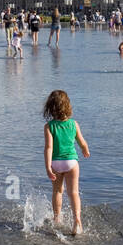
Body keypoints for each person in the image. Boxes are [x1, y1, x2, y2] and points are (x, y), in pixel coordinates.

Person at [43, 89, 90, 236]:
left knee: (58, 191)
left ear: (51, 108)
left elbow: (49, 148)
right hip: (71, 162)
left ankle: (57, 219)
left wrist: (48, 167)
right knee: (74, 192)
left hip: (56, 163)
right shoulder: (74, 124)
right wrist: (85, 150)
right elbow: (82, 142)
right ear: (68, 106)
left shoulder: (49, 126)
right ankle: (77, 220)